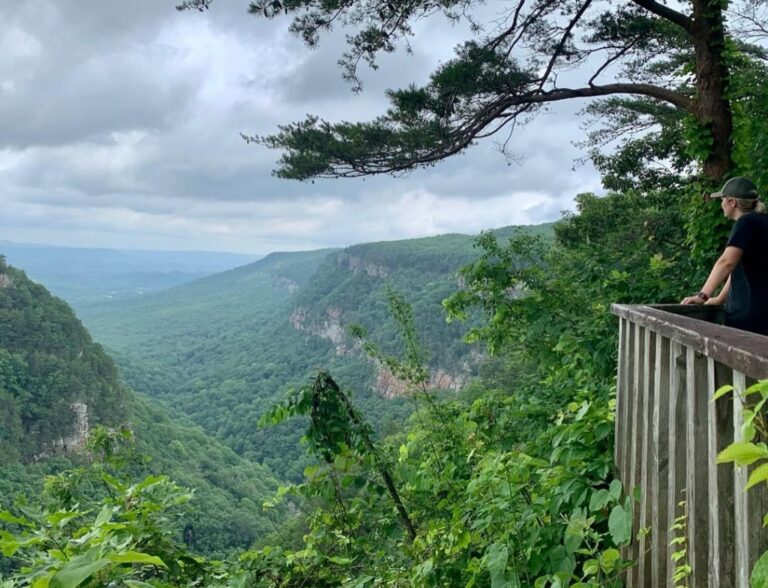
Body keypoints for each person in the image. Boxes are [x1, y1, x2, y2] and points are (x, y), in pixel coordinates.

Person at [681, 176, 768, 336]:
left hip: (748, 317)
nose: (721, 204)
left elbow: (726, 262)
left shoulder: (745, 222)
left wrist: (702, 295)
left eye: (723, 199)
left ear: (732, 202)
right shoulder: (762, 221)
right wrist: (720, 298)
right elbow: (737, 266)